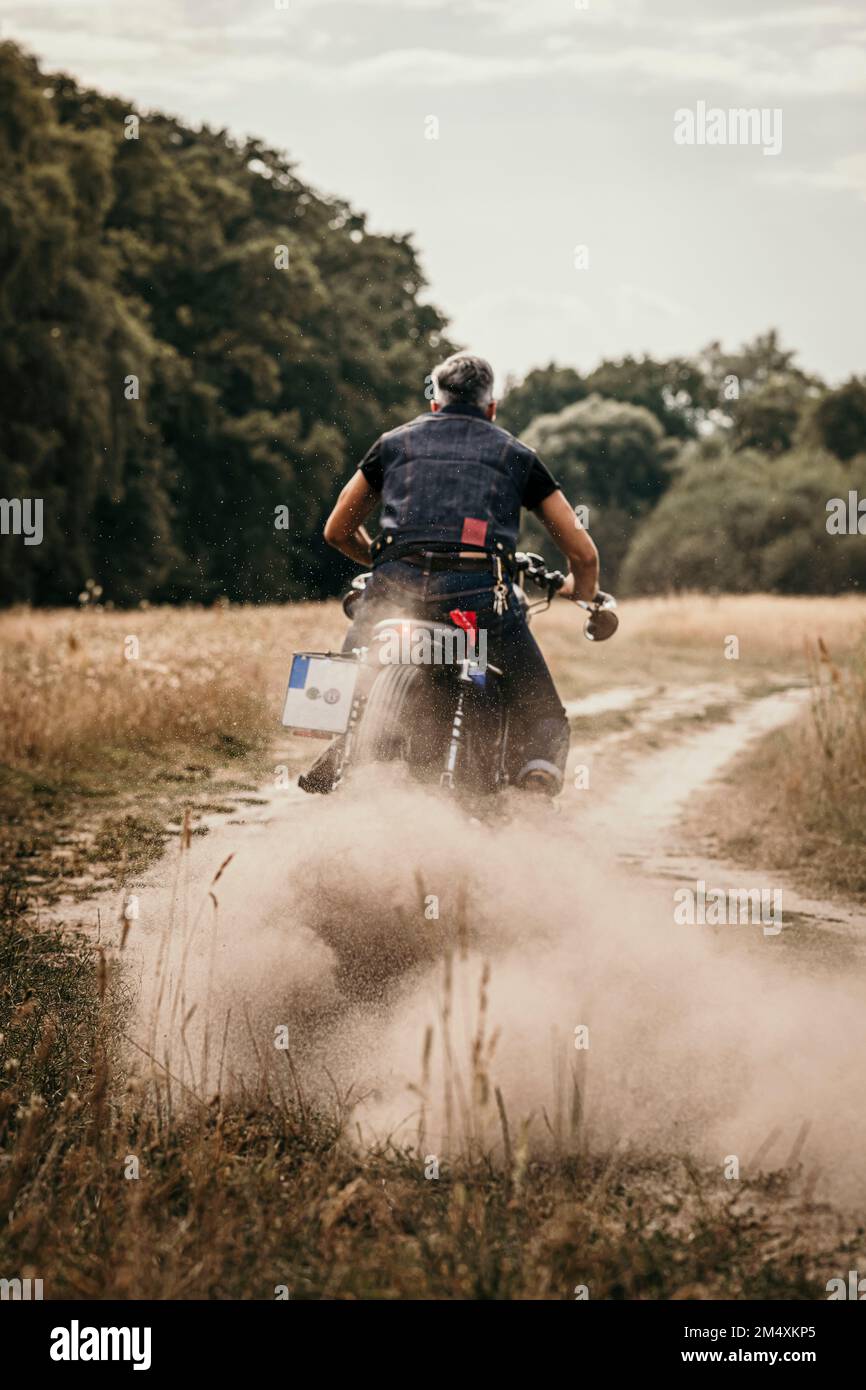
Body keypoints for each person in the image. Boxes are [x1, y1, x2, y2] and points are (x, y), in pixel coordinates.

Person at [299, 352, 600, 795]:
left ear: (435, 404)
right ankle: (536, 770)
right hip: (477, 595)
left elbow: (337, 530)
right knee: (541, 709)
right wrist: (583, 593)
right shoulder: (515, 454)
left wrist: (383, 562)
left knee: (350, 671)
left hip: (393, 587)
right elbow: (583, 553)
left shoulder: (393, 443)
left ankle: (335, 739)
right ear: (491, 408)